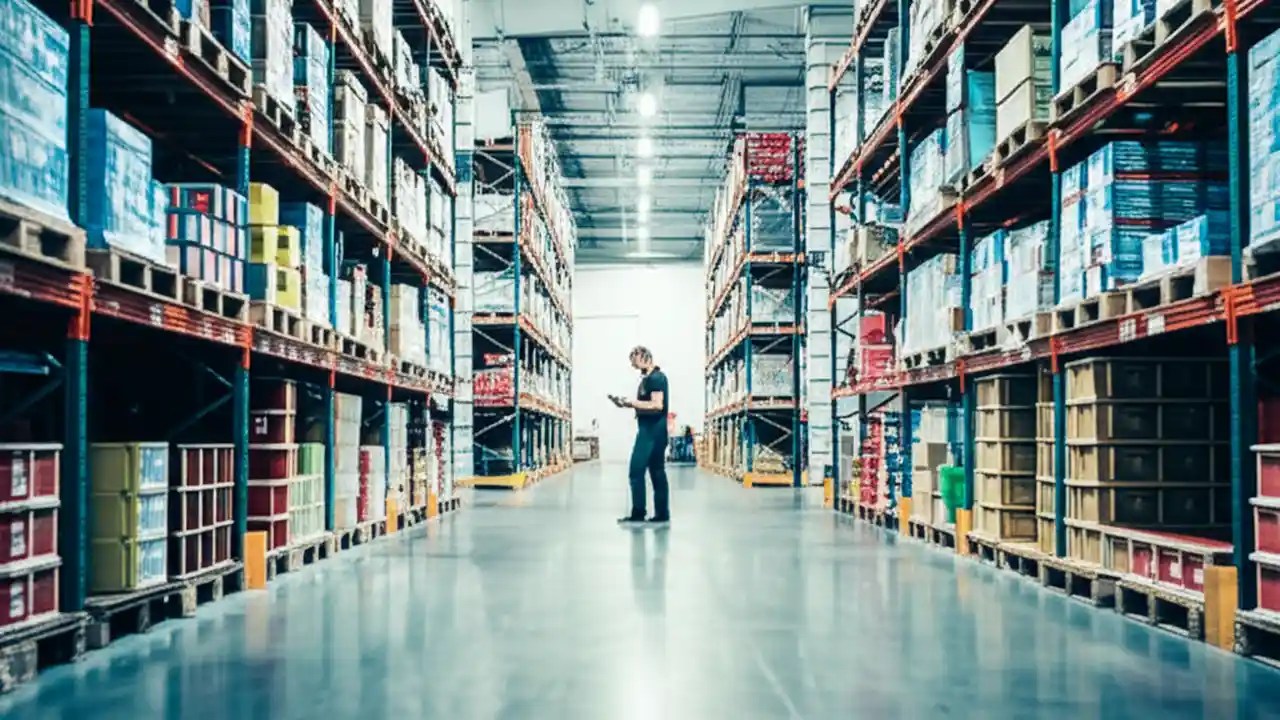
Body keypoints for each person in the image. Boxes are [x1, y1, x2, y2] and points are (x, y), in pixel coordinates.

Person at [613, 346, 670, 526]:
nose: (632, 365)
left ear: (642, 356)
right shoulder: (648, 378)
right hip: (652, 430)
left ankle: (639, 512)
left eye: (633, 360)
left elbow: (657, 405)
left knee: (636, 470)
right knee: (656, 471)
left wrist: (631, 403)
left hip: (652, 431)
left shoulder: (656, 378)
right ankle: (661, 514)